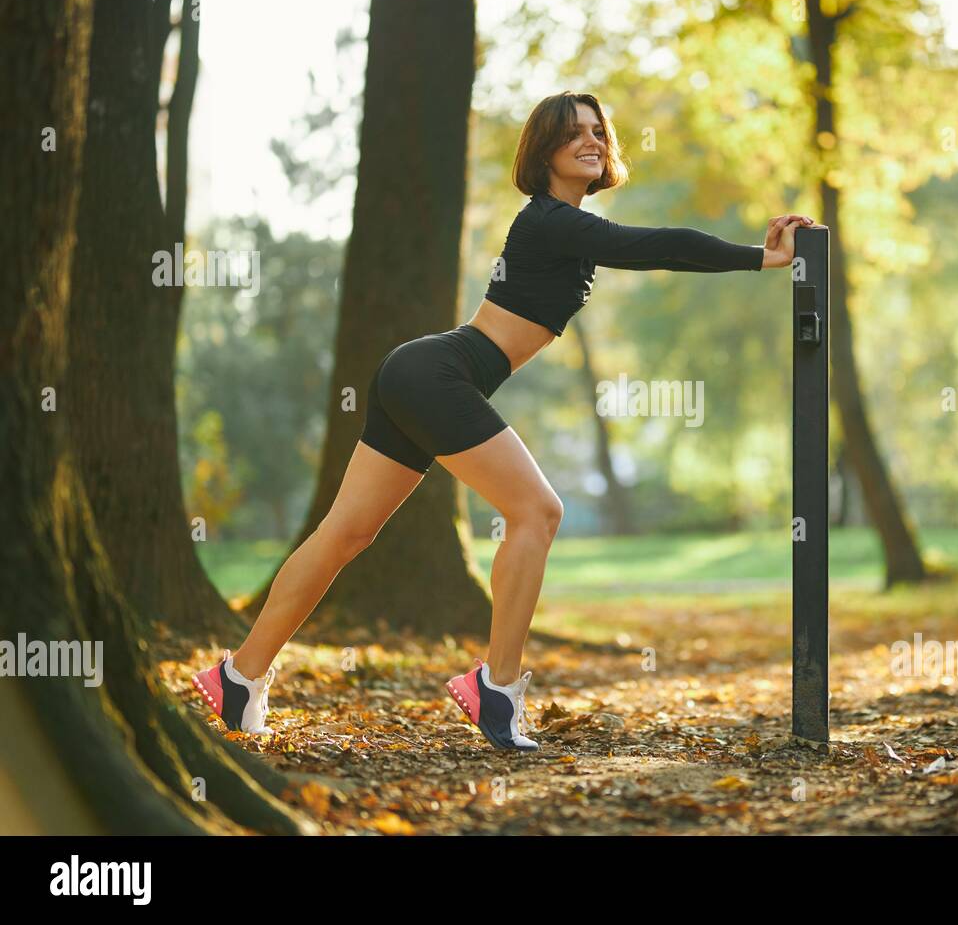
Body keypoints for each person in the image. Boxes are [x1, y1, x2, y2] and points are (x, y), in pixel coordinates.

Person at [193, 90, 816, 751]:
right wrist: (762, 256)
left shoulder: (568, 226)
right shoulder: (549, 220)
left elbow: (634, 244)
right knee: (538, 513)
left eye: (598, 130)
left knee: (345, 534)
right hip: (438, 374)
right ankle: (498, 685)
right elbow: (652, 244)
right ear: (543, 149)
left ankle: (239, 676)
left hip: (420, 373)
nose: (592, 140)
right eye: (573, 132)